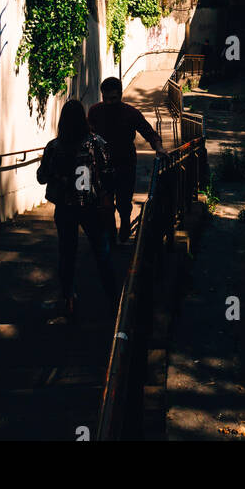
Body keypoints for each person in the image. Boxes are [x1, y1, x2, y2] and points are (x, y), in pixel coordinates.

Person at [36, 99, 119, 319]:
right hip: (91, 207)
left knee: (67, 253)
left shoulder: (54, 146)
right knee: (102, 252)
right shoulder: (97, 142)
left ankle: (69, 298)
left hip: (65, 207)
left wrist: (58, 176)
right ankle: (115, 300)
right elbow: (110, 173)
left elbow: (41, 177)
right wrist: (108, 198)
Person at [87, 77, 166, 244]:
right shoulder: (95, 111)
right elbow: (88, 134)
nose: (109, 102)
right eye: (106, 98)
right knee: (106, 203)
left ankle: (124, 222)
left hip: (125, 164)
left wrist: (158, 147)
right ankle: (110, 233)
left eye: (113, 98)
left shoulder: (131, 113)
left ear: (121, 95)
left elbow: (148, 132)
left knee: (124, 201)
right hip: (102, 166)